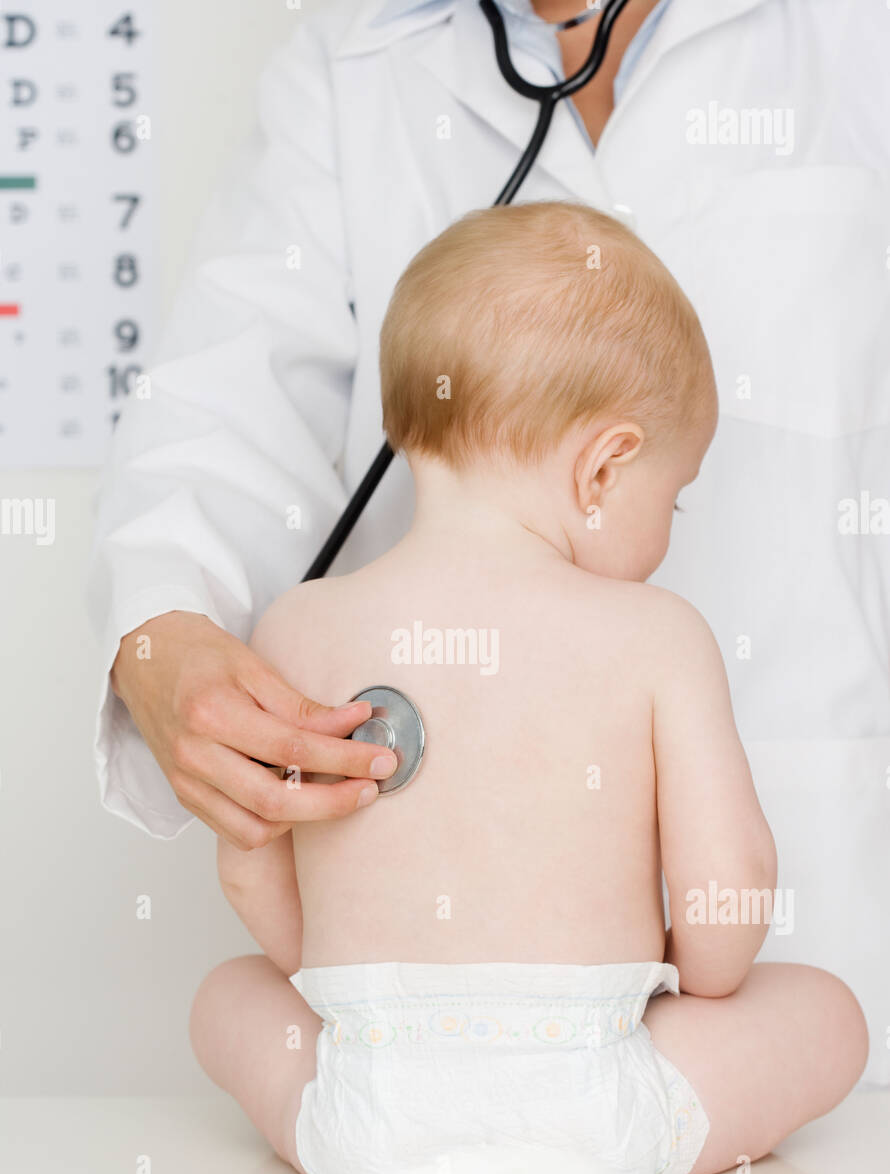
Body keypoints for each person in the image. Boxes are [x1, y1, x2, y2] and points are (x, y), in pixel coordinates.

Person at [89, 0, 890, 1080]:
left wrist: (329, 1000)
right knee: (801, 1050)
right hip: (665, 1064)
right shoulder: (355, 50)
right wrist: (162, 637)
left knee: (237, 1012)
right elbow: (223, 402)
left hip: (393, 1071)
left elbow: (260, 892)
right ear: (607, 467)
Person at [188, 203, 868, 1174]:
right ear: (602, 465)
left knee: (221, 997)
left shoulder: (297, 625)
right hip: (602, 1107)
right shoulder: (657, 633)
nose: (669, 527)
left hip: (365, 1115)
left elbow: (260, 886)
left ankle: (361, 1142)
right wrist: (684, 987)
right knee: (829, 1013)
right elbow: (724, 909)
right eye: (670, 495)